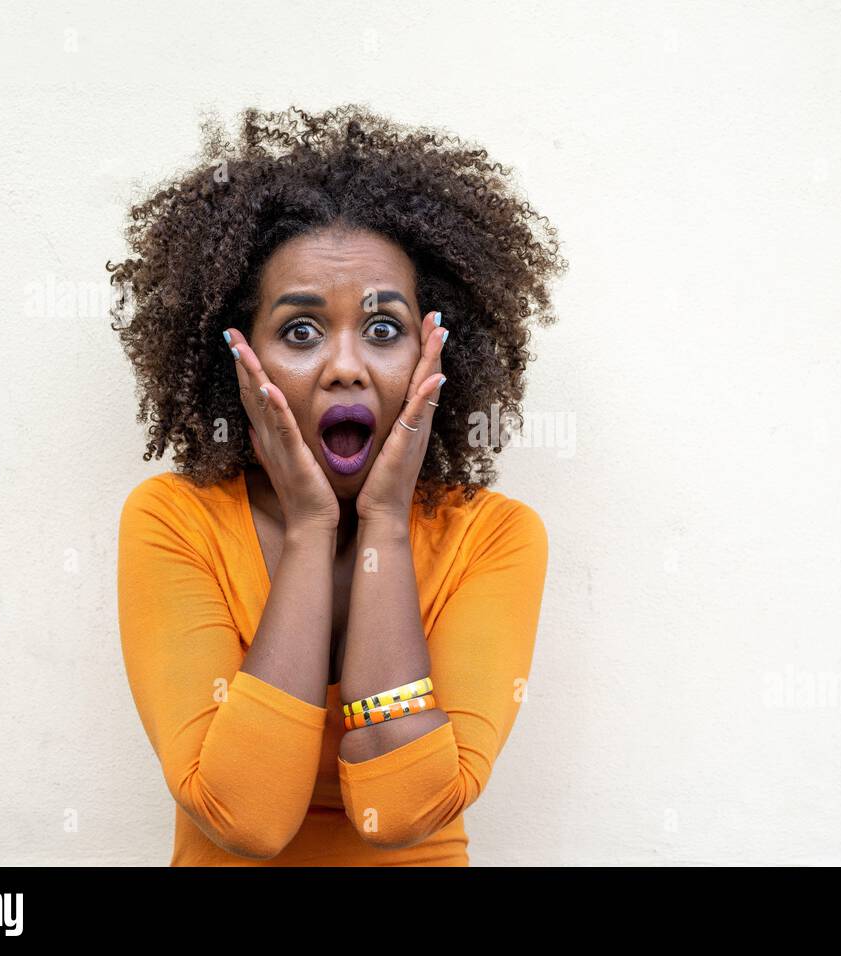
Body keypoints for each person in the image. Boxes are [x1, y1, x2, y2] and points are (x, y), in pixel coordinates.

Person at [108, 104, 567, 865]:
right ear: (238, 354)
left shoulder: (496, 537)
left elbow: (402, 815)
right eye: (299, 330)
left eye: (385, 330)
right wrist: (314, 529)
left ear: (438, 349)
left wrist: (384, 522)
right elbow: (248, 819)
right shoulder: (173, 520)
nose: (346, 366)